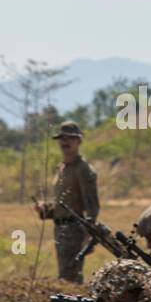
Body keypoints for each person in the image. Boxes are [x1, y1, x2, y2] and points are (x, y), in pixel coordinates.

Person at [33, 120, 100, 283]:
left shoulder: (83, 169)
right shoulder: (61, 168)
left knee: (70, 278)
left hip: (74, 230)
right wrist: (45, 209)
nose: (65, 142)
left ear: (79, 141)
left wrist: (88, 235)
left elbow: (92, 206)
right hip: (60, 228)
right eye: (62, 138)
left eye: (70, 138)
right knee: (64, 276)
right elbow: (64, 203)